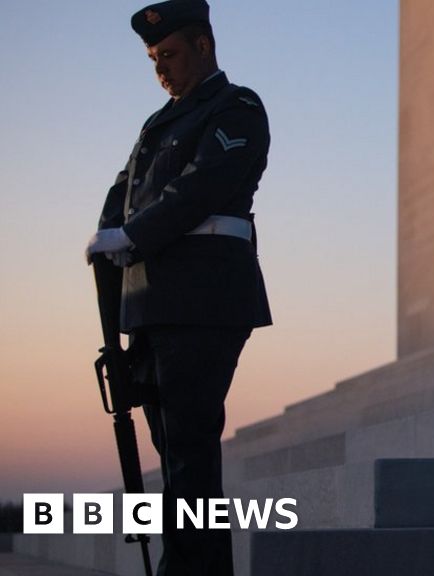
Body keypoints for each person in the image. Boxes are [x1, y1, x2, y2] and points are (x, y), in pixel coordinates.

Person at [85, 1, 272, 574]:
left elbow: (197, 191)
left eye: (169, 54)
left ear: (204, 46)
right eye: (152, 59)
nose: (160, 68)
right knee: (175, 459)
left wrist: (126, 238)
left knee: (190, 455)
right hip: (151, 307)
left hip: (204, 302)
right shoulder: (157, 125)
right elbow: (119, 203)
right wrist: (111, 246)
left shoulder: (236, 108)